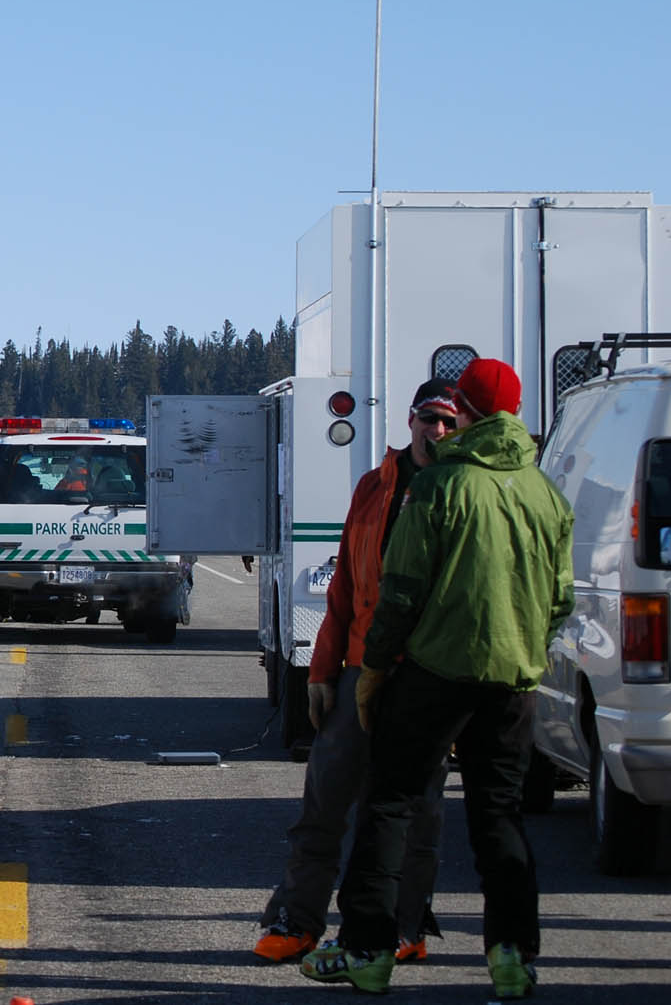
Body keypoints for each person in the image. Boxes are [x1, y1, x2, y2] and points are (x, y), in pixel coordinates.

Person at [303, 360, 573, 1000]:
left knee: (390, 802)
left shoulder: (441, 486)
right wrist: (526, 647)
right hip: (514, 680)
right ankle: (511, 955)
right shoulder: (544, 492)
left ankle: (368, 949)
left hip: (435, 672)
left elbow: (401, 592)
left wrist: (375, 669)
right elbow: (560, 597)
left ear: (469, 409)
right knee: (499, 814)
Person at [253, 379, 459, 963]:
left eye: (448, 422)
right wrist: (320, 672)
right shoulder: (375, 486)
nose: (437, 431)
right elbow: (343, 588)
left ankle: (405, 926)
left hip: (426, 679)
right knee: (324, 801)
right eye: (429, 419)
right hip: (358, 672)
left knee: (418, 811)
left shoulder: (462, 491)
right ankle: (296, 920)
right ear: (411, 420)